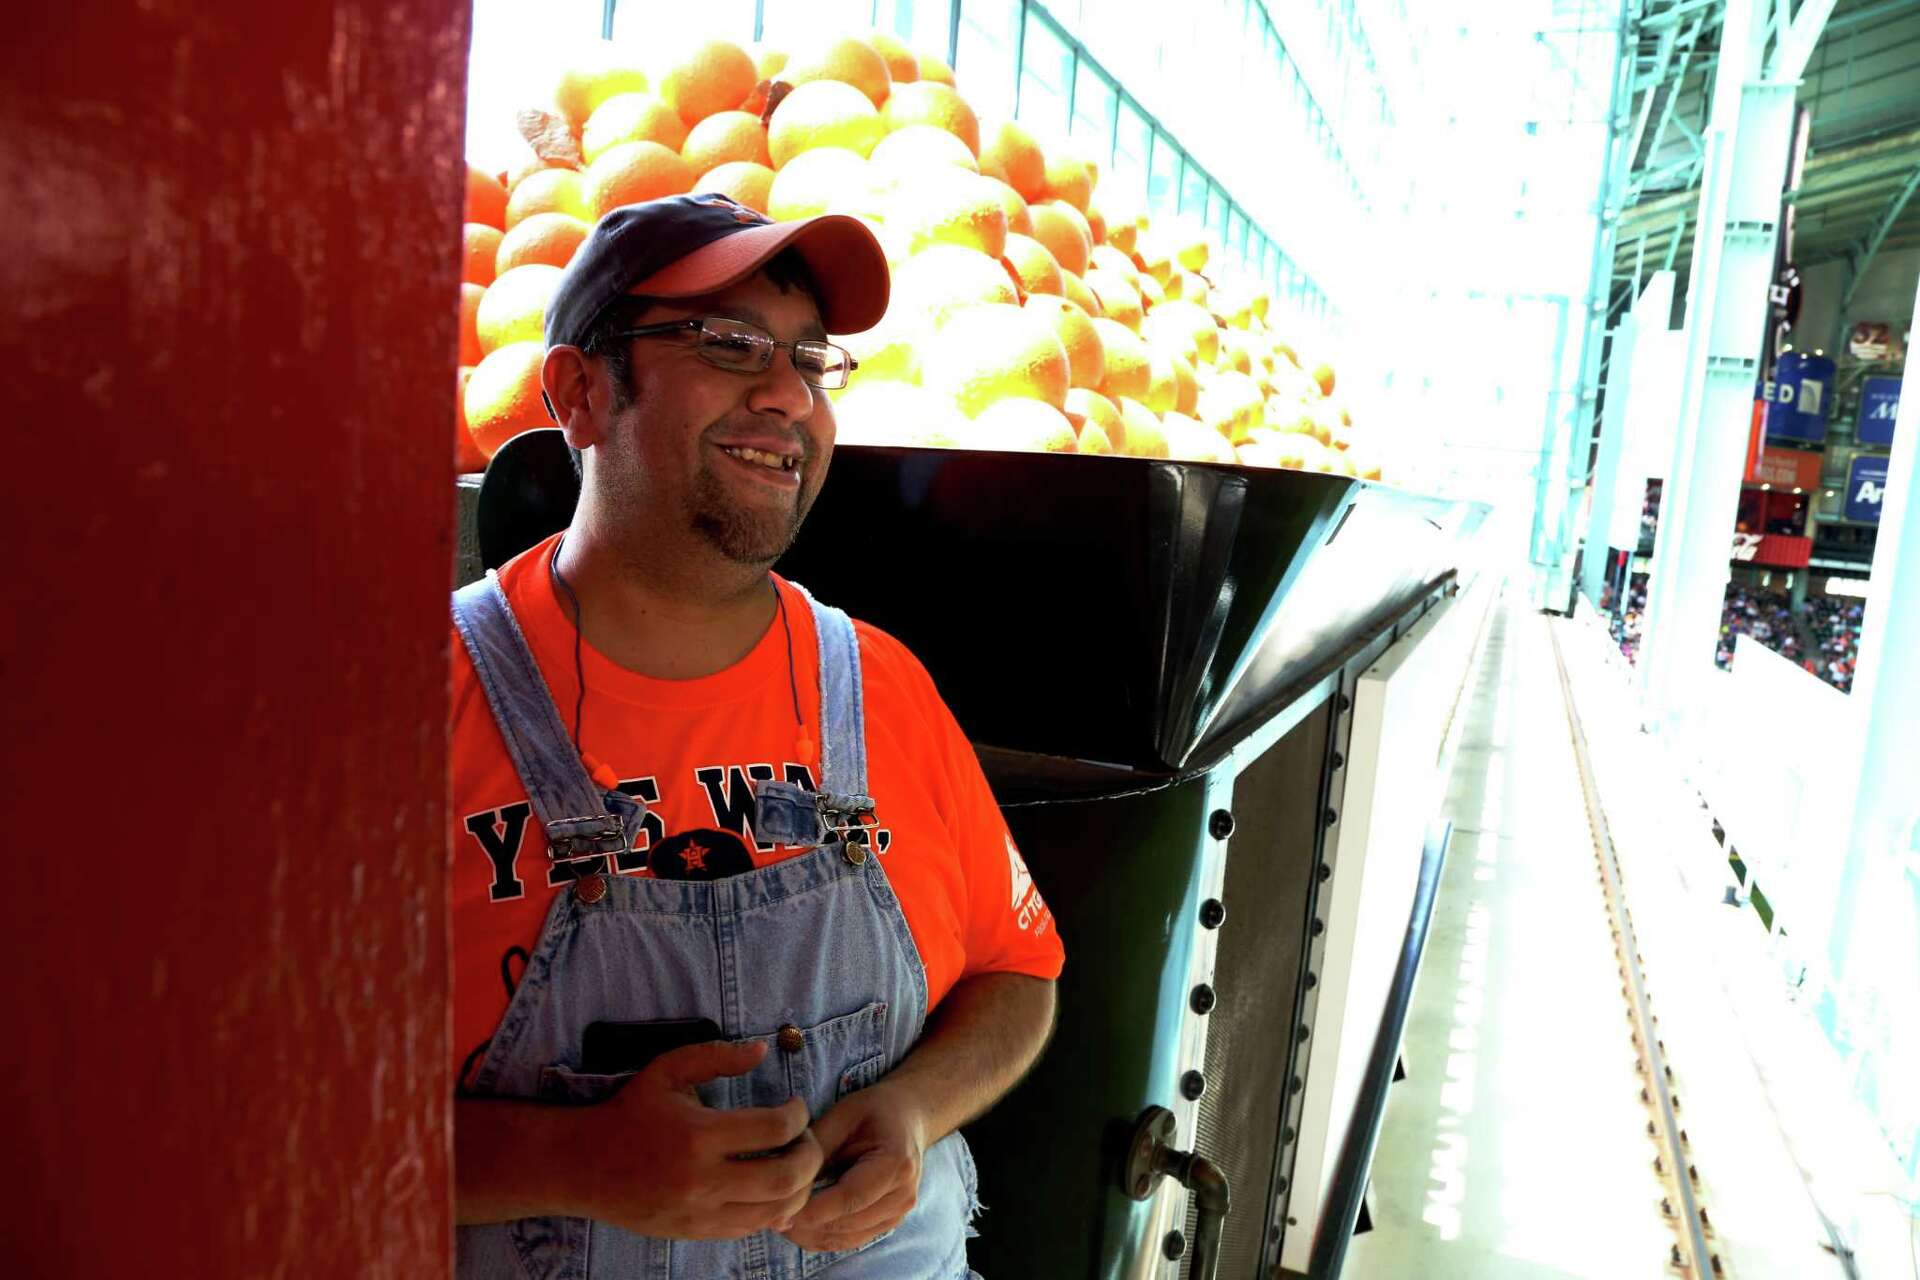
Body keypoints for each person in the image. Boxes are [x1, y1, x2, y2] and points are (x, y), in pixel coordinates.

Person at [448, 194, 1063, 1279]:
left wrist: (913, 1109)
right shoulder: (419, 708)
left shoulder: (883, 689)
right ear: (580, 393)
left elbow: (1020, 973)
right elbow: (262, 1112)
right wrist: (574, 1160)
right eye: (728, 344)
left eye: (812, 362)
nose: (788, 396)